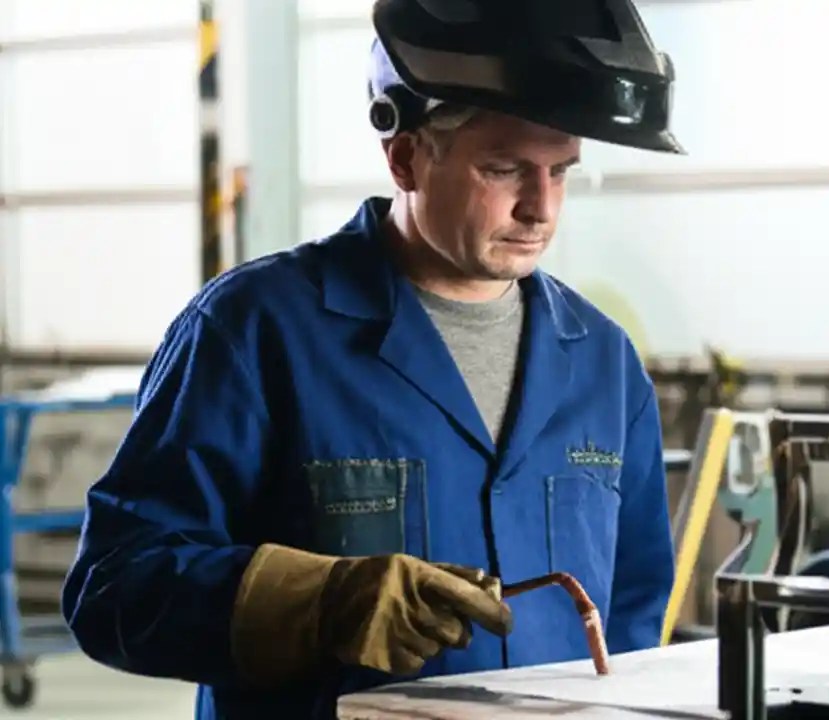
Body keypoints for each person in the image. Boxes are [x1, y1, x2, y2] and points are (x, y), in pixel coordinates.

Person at [60, 0, 682, 717]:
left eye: (562, 172)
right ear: (406, 156)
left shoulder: (602, 362)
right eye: (505, 168)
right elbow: (114, 587)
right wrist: (319, 602)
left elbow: (633, 621)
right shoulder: (255, 333)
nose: (540, 208)